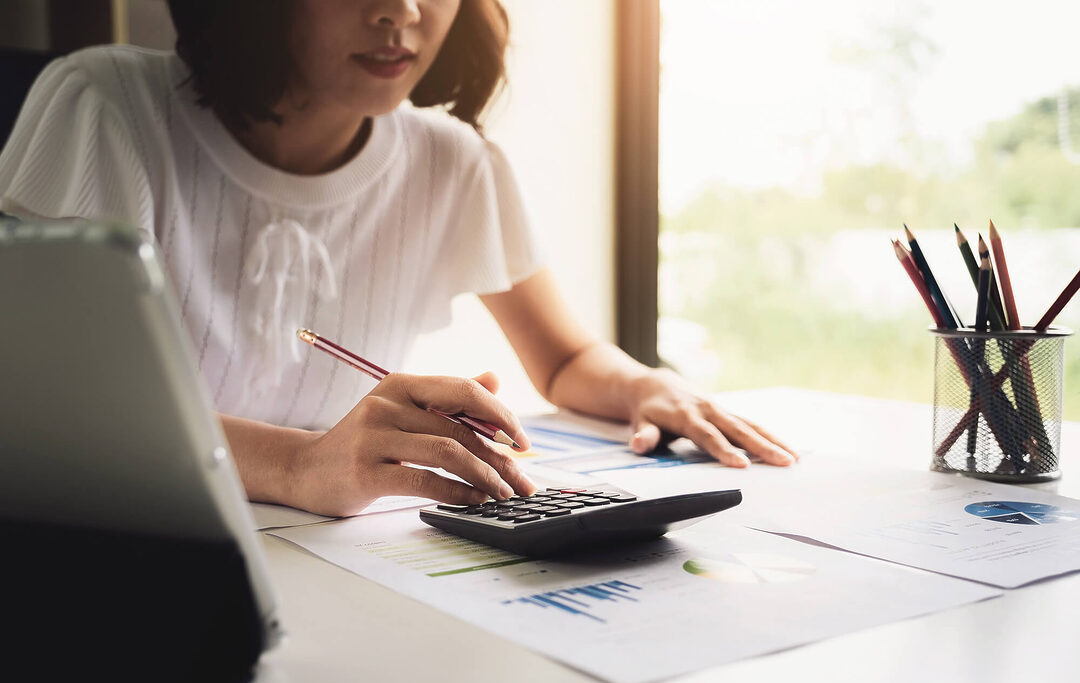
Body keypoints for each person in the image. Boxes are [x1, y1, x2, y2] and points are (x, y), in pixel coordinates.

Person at [0, 0, 796, 517]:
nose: (403, 13)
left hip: (331, 568)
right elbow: (44, 404)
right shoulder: (105, 107)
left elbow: (566, 358)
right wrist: (304, 465)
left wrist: (646, 384)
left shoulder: (453, 163)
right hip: (138, 550)